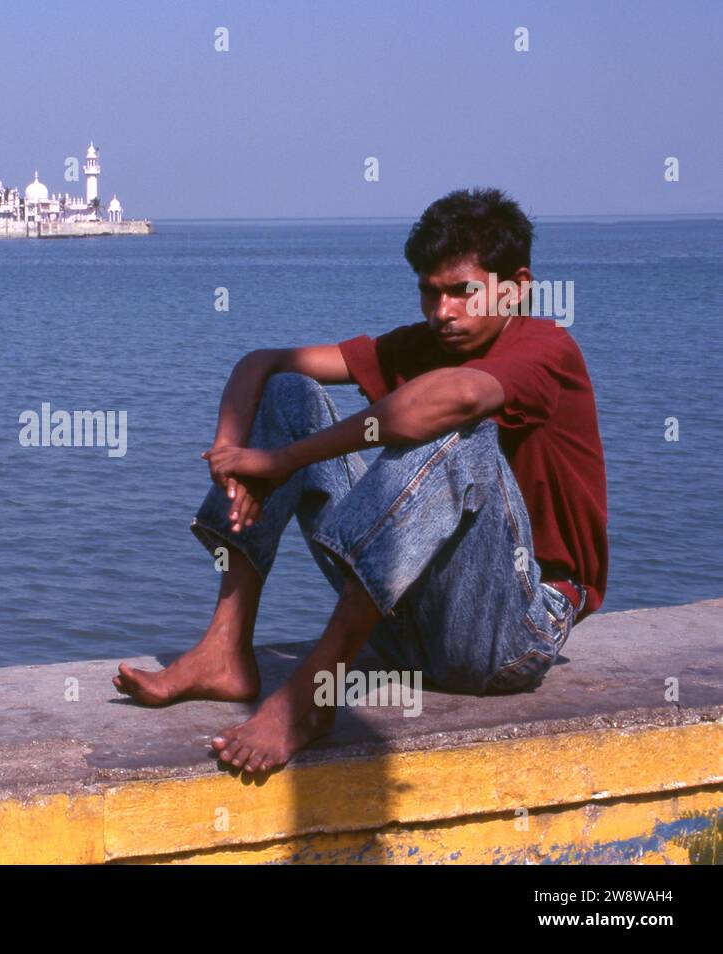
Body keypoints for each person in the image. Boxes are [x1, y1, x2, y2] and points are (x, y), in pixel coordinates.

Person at [114, 188, 608, 774]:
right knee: (291, 394)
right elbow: (263, 362)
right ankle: (225, 646)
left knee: (454, 426)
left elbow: (460, 398)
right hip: (410, 626)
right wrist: (232, 452)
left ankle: (311, 695)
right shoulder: (425, 343)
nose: (442, 311)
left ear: (517, 286)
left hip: (514, 632)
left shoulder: (545, 349)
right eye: (430, 290)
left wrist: (283, 462)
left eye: (462, 292)